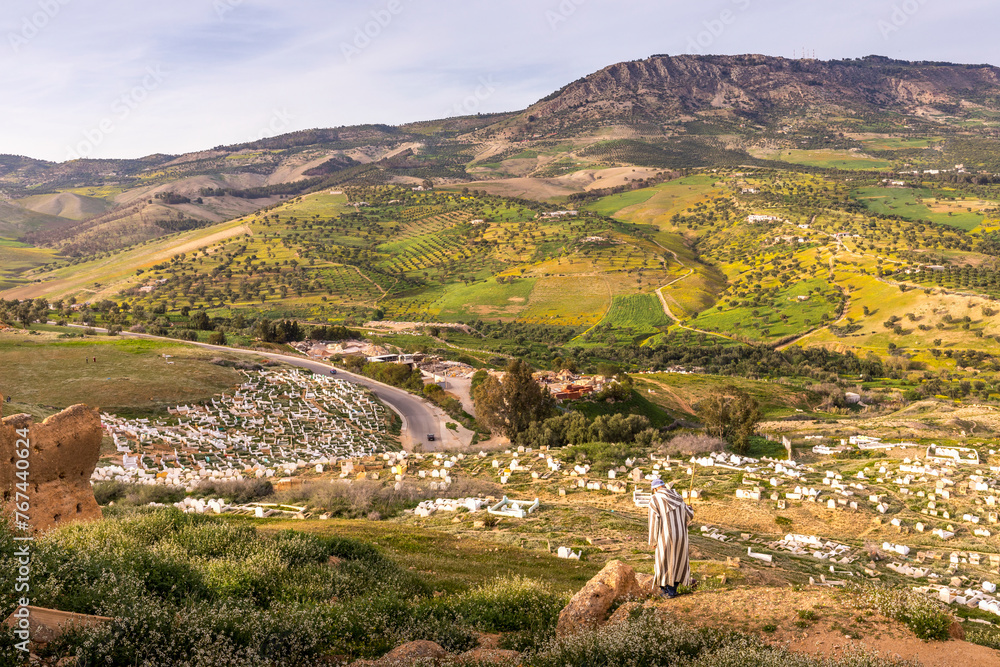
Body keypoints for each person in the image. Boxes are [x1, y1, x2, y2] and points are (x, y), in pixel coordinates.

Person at [647, 478, 695, 598]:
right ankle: (673, 590)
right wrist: (690, 508)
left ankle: (667, 592)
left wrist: (653, 540)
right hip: (681, 536)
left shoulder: (655, 499)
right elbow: (689, 516)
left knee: (664, 562)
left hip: (665, 536)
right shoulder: (677, 496)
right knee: (679, 562)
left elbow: (654, 521)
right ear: (663, 486)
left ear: (655, 489)